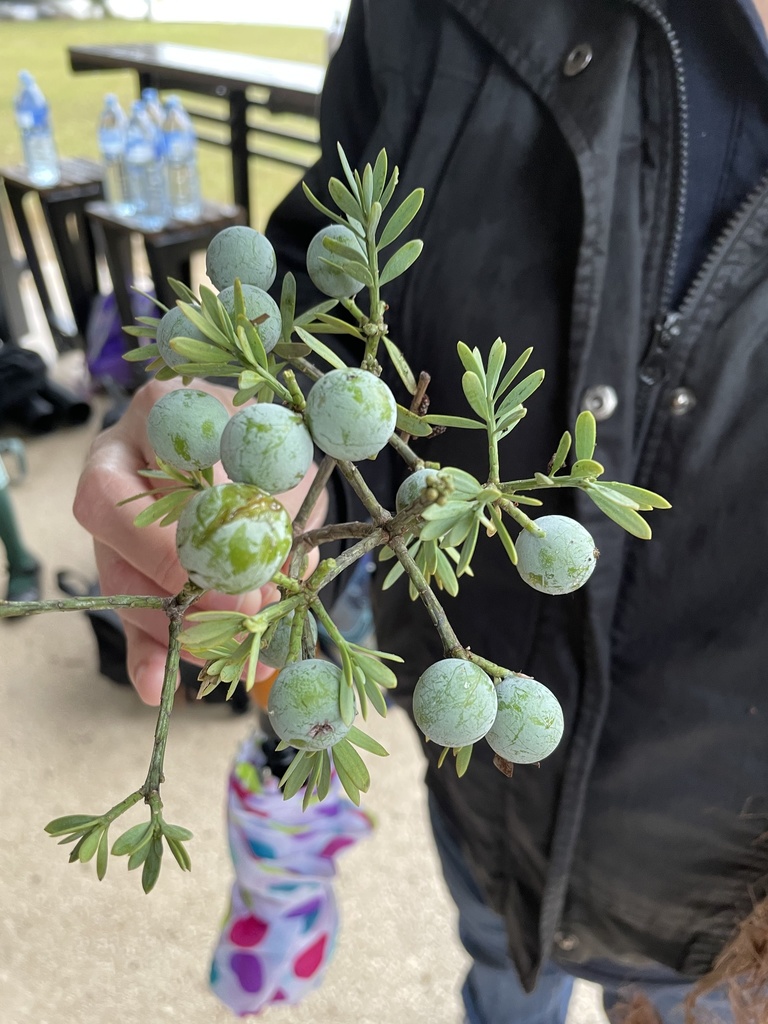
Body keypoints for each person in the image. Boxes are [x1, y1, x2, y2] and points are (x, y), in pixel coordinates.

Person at [73, 2, 768, 1022]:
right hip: (486, 799)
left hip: (719, 912)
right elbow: (332, 282)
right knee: (499, 974)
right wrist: (252, 400)